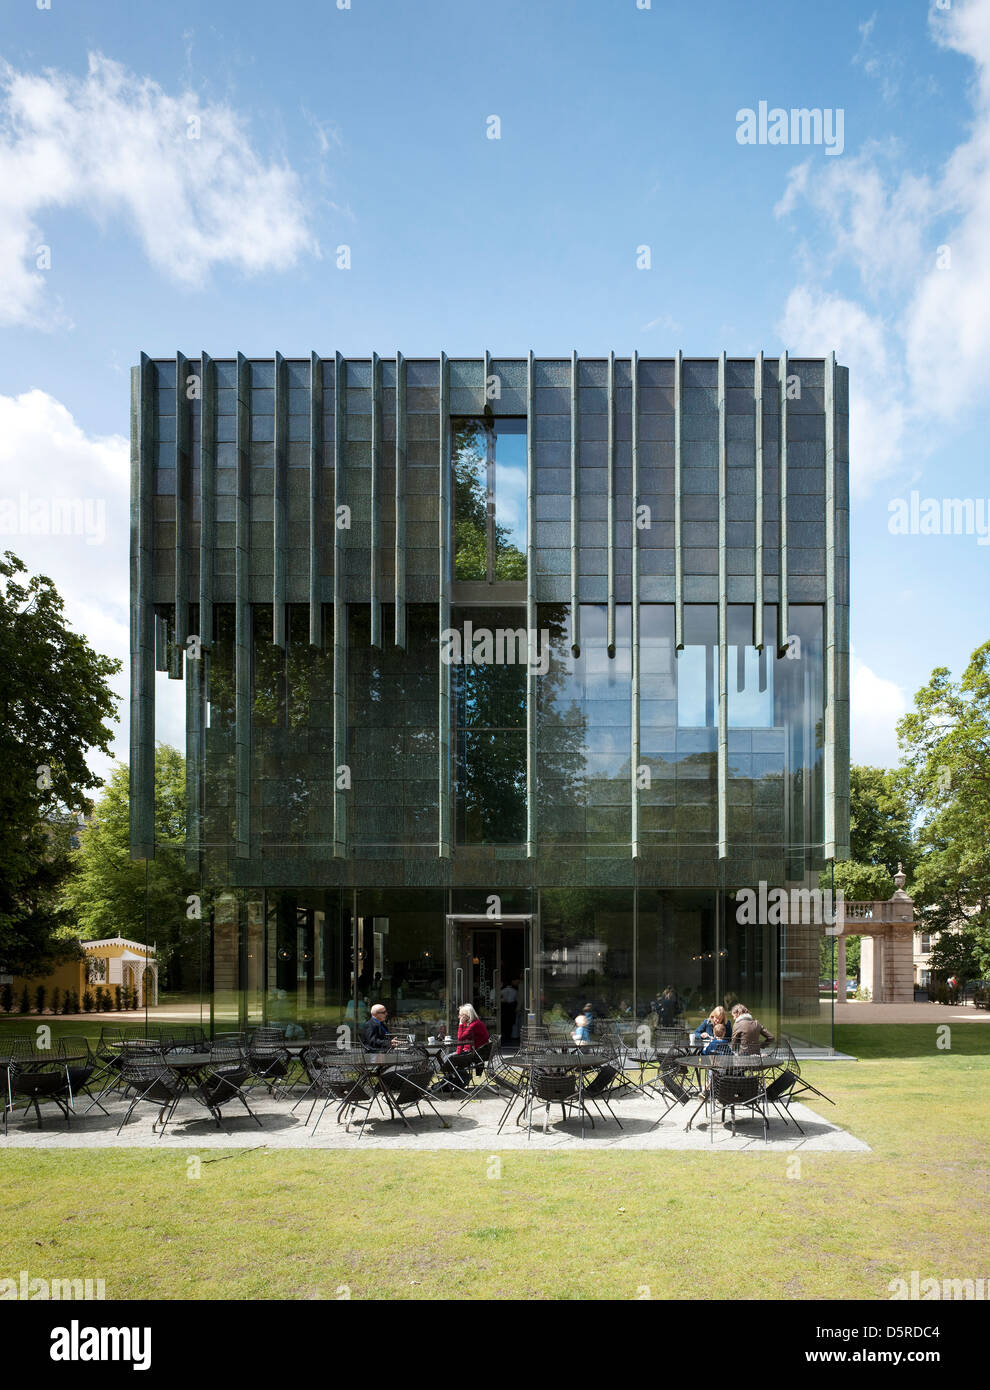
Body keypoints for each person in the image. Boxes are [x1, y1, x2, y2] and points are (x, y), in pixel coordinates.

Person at [439, 1004, 490, 1093]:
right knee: (449, 1058)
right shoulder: (474, 1023)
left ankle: (457, 1080)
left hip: (475, 1055)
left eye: (460, 1015)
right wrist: (458, 1052)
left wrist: (460, 1024)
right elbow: (462, 1041)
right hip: (474, 1052)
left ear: (467, 1016)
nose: (459, 1017)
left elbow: (461, 1037)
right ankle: (456, 1081)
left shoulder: (474, 1025)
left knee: (448, 1059)